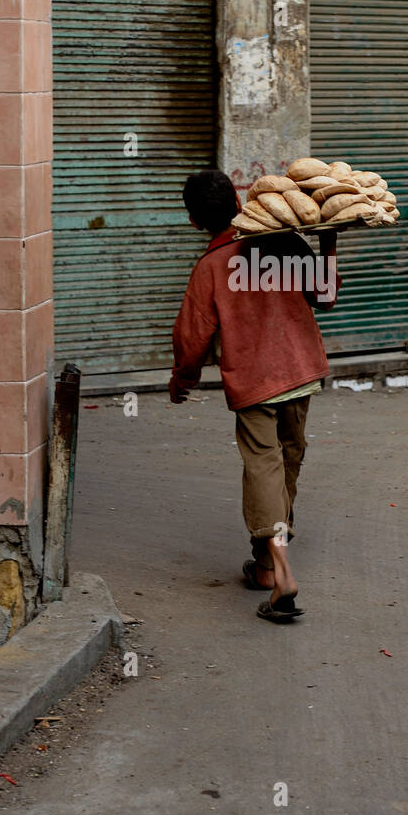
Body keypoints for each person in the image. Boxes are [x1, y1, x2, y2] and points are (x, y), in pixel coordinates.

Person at [169, 169, 340, 623]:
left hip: (254, 382)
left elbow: (192, 338)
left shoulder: (210, 267)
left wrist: (182, 381)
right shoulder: (283, 242)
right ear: (240, 200)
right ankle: (264, 566)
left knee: (264, 467)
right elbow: (324, 295)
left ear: (193, 221)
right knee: (286, 462)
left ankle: (282, 572)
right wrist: (328, 241)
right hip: (301, 372)